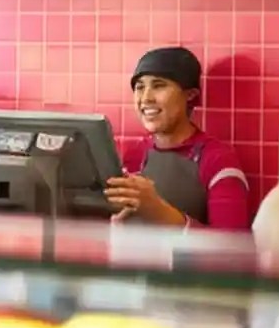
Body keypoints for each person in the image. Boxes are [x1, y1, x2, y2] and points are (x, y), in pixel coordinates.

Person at [104, 46, 251, 230]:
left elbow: (231, 248)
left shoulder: (217, 160)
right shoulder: (133, 156)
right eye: (139, 87)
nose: (146, 98)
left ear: (190, 95)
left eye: (159, 85)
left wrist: (159, 211)